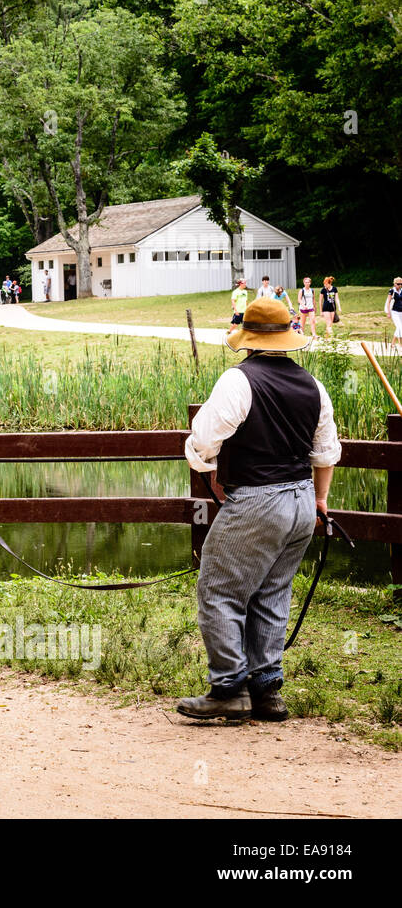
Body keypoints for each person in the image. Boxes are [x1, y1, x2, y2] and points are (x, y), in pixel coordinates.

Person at [180, 297, 341, 721]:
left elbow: (203, 441)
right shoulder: (313, 386)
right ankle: (267, 691)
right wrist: (320, 501)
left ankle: (229, 686)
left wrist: (204, 465)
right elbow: (325, 453)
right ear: (288, 339)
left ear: (247, 338)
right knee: (272, 594)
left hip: (257, 499)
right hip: (302, 501)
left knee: (219, 590)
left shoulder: (238, 381)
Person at [385, 277, 402, 352]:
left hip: (401, 312)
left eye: (401, 284)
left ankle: (392, 343)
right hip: (394, 312)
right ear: (394, 284)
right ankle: (401, 345)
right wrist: (388, 312)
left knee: (399, 328)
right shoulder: (392, 291)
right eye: (398, 284)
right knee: (400, 328)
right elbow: (388, 302)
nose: (400, 285)